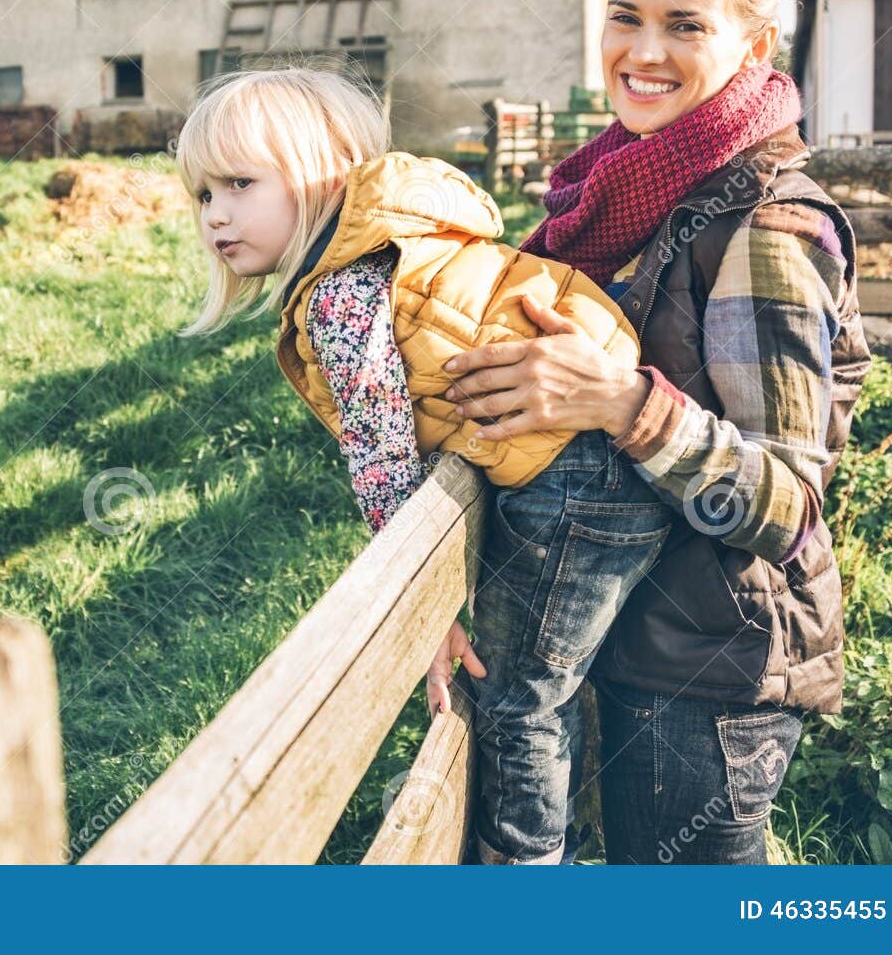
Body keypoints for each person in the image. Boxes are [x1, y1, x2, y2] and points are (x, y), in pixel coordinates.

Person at [439, 0, 873, 863]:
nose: (642, 52)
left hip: (707, 679)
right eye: (625, 16)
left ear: (754, 47)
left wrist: (618, 400)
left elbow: (786, 506)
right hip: (623, 637)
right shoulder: (625, 192)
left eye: (686, 25)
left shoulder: (767, 227)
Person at [175, 64, 674, 864]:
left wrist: (422, 602)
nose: (216, 215)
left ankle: (525, 874)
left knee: (517, 698)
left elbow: (380, 451)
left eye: (240, 183)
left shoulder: (340, 293)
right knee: (541, 685)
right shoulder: (410, 241)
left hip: (576, 484)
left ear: (323, 173)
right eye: (203, 193)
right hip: (598, 471)